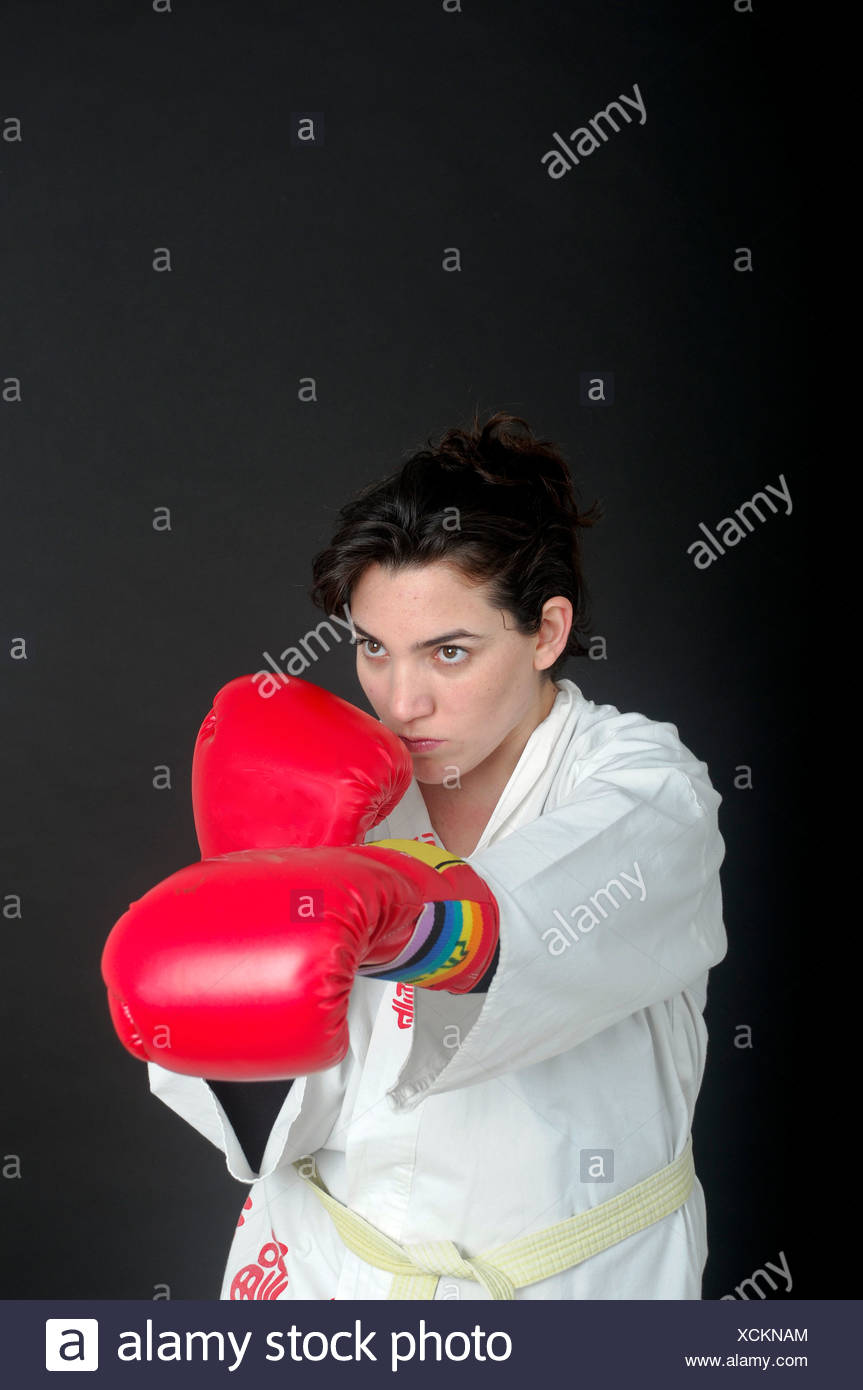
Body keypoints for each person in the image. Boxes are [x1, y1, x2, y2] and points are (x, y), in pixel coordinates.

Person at [105, 410, 727, 1300]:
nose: (402, 703)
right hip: (325, 1274)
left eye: (448, 653)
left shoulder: (648, 791)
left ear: (546, 632)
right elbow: (282, 1109)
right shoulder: (333, 788)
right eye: (373, 649)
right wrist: (226, 979)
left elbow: (544, 923)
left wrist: (391, 918)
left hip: (568, 1293)